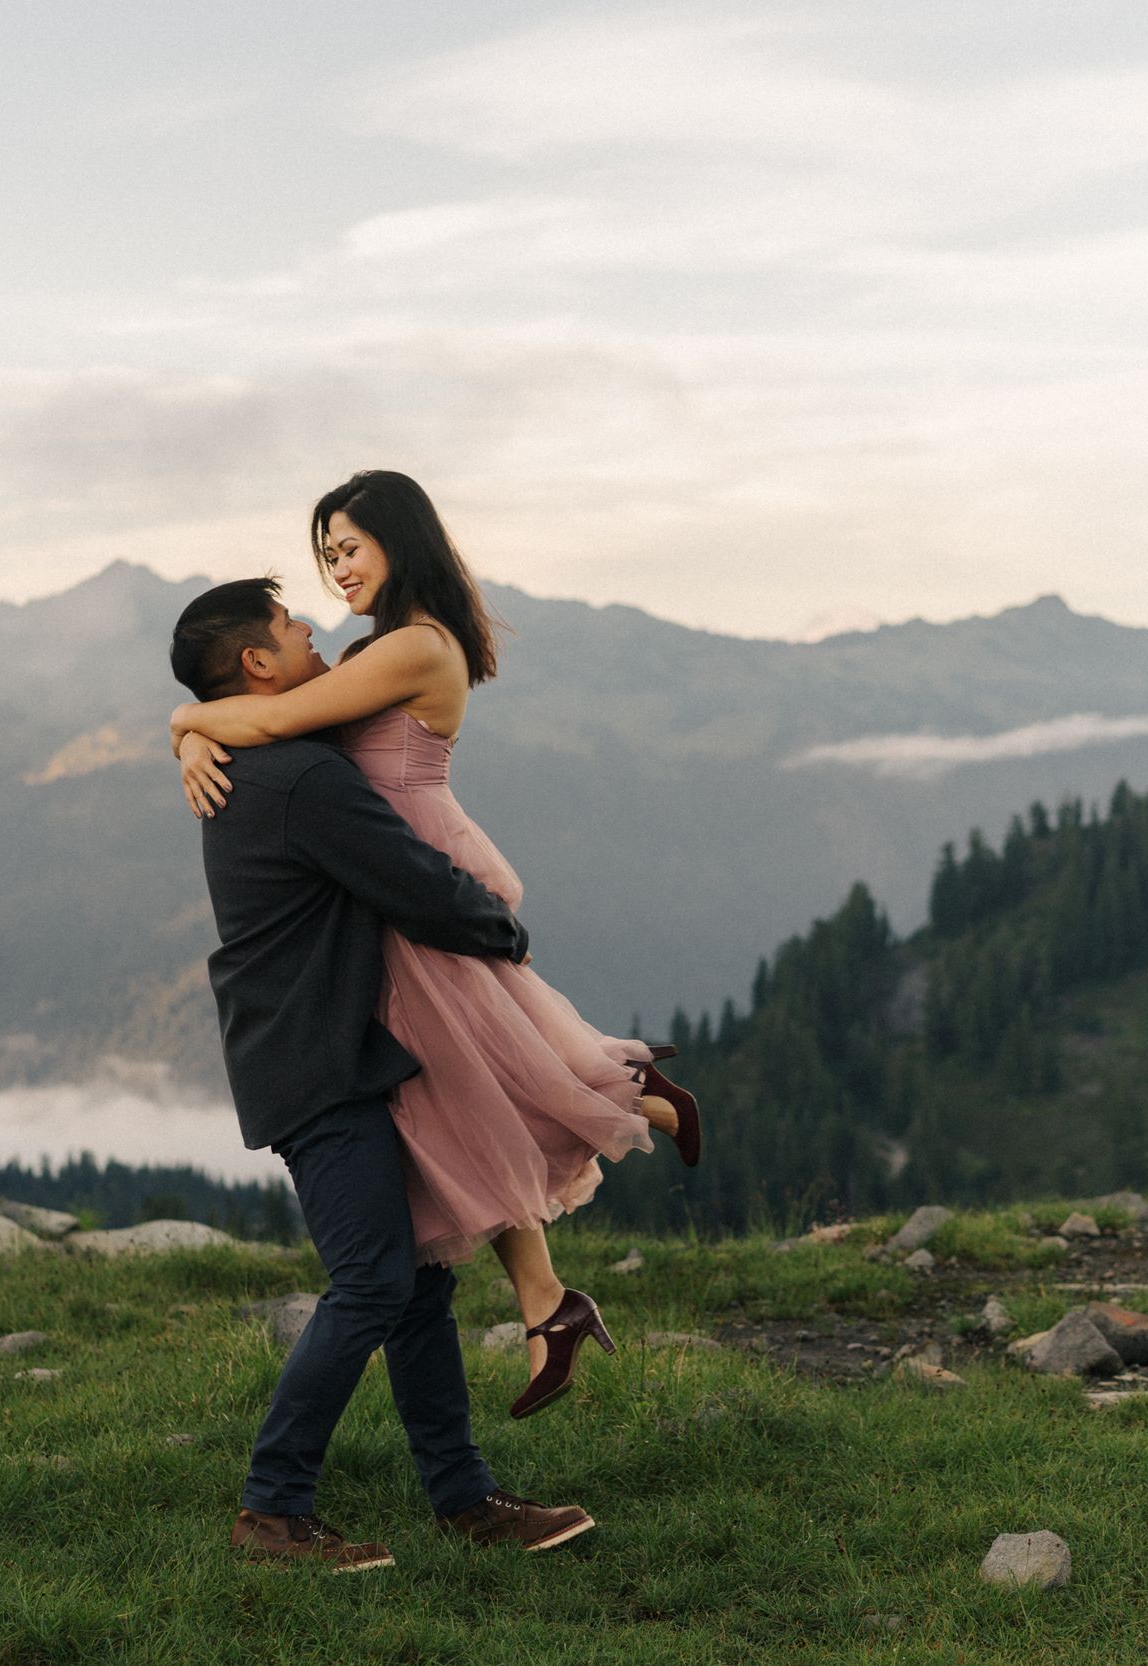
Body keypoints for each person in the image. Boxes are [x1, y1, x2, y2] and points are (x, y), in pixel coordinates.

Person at [171, 470, 700, 1419]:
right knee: (462, 1094)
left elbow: (275, 715)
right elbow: (268, 703)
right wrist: (194, 727)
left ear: (399, 540)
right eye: (325, 553)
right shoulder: (376, 650)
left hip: (420, 871)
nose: (335, 571)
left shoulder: (413, 646)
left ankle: (629, 1095)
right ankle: (548, 1300)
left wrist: (184, 722)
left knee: (468, 1083)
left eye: (350, 547)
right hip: (403, 873)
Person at [170, 576, 597, 1571]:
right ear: (257, 666)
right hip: (320, 1059)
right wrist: (504, 931)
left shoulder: (253, 754)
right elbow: (416, 886)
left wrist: (185, 731)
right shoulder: (303, 780)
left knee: (414, 1282)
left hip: (313, 1046)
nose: (312, 625)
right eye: (289, 624)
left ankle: (465, 1498)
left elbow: (252, 728)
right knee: (371, 1281)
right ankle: (272, 1512)